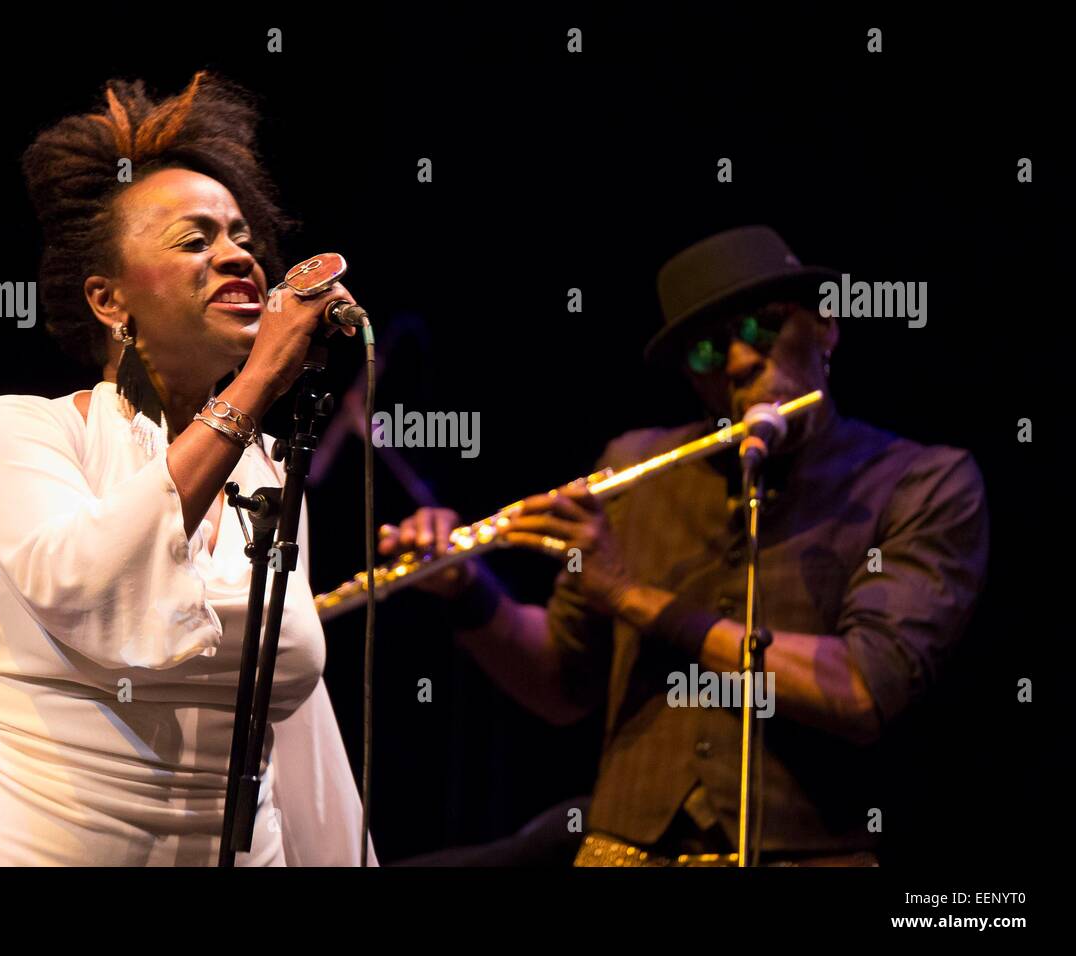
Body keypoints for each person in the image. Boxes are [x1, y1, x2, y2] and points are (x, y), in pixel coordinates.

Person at [386, 226, 989, 866]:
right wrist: (468, 593)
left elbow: (865, 688)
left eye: (761, 327)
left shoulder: (920, 482)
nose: (737, 361)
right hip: (623, 854)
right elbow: (562, 686)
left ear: (824, 328)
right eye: (706, 351)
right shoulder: (634, 468)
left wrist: (634, 597)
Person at [0, 72, 371, 866]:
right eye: (195, 241)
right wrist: (258, 383)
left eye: (242, 239)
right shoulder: (23, 431)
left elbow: (297, 725)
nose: (238, 258)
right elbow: (92, 585)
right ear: (108, 300)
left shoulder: (268, 471)